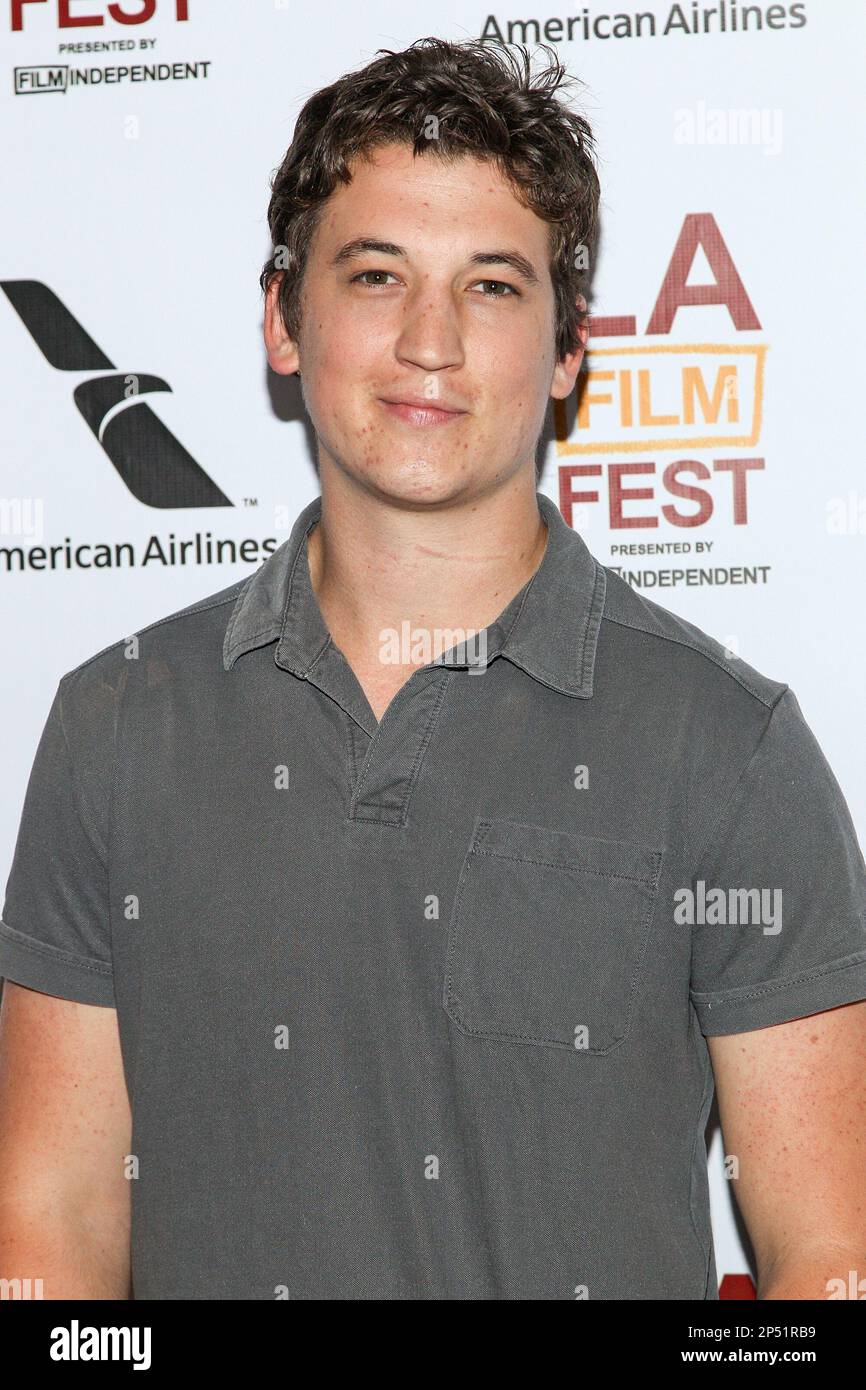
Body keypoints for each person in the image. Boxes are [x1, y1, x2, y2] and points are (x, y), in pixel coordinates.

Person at [1, 36, 865, 1302]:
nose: (428, 342)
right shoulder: (117, 724)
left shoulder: (723, 745)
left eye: (493, 287)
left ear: (568, 351)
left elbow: (828, 1262)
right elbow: (52, 1236)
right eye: (374, 273)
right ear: (281, 320)